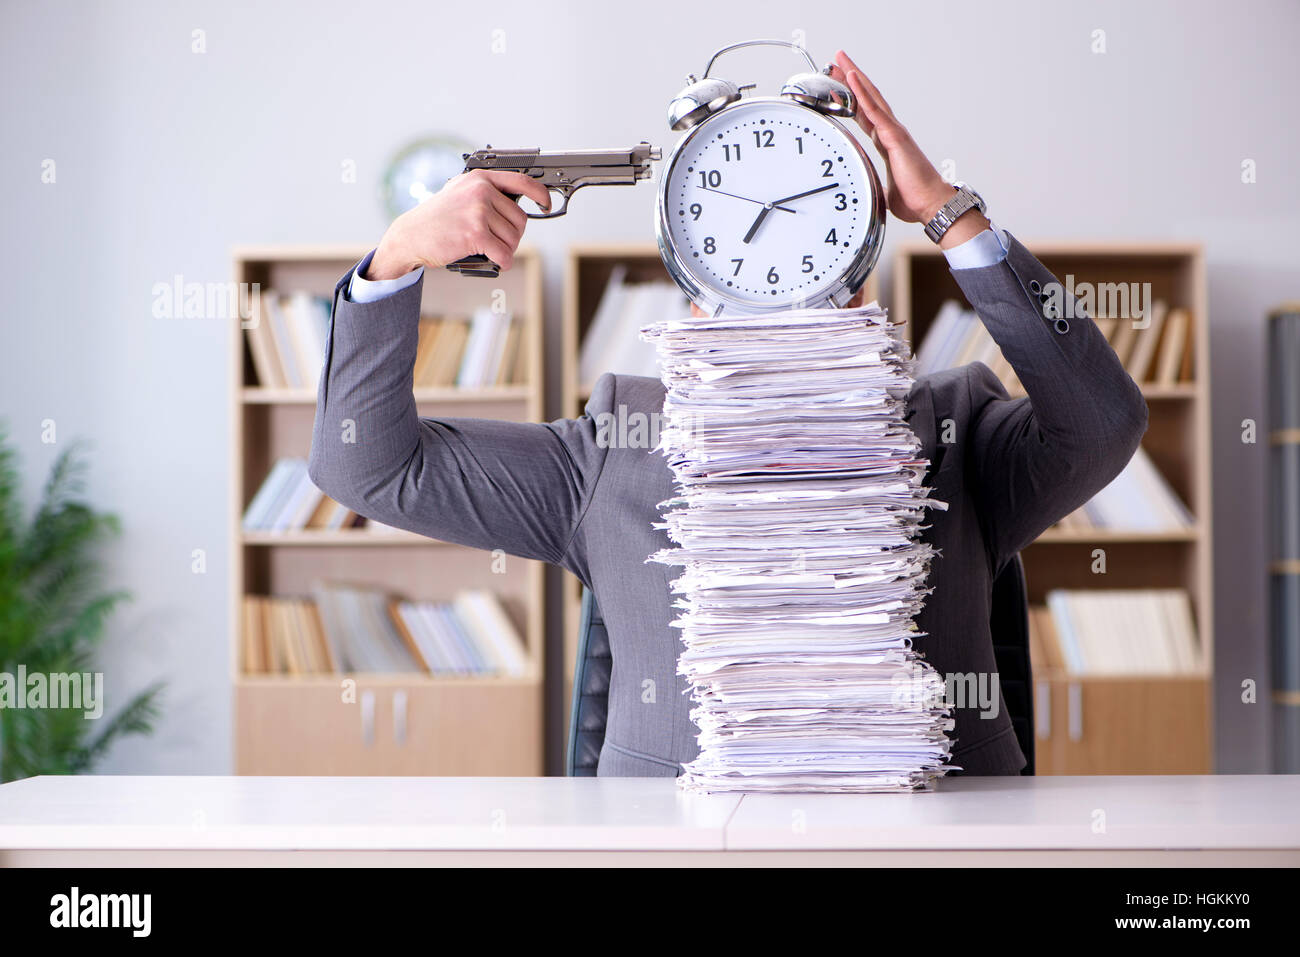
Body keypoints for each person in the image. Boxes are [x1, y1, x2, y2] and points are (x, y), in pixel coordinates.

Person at [308, 51, 1148, 776]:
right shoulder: (610, 450)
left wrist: (949, 214)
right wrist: (398, 258)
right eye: (744, 253)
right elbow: (368, 465)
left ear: (862, 282)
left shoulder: (958, 433)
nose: (780, 293)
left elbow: (1104, 423)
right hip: (679, 844)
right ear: (693, 286)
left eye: (814, 243)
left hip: (934, 838)